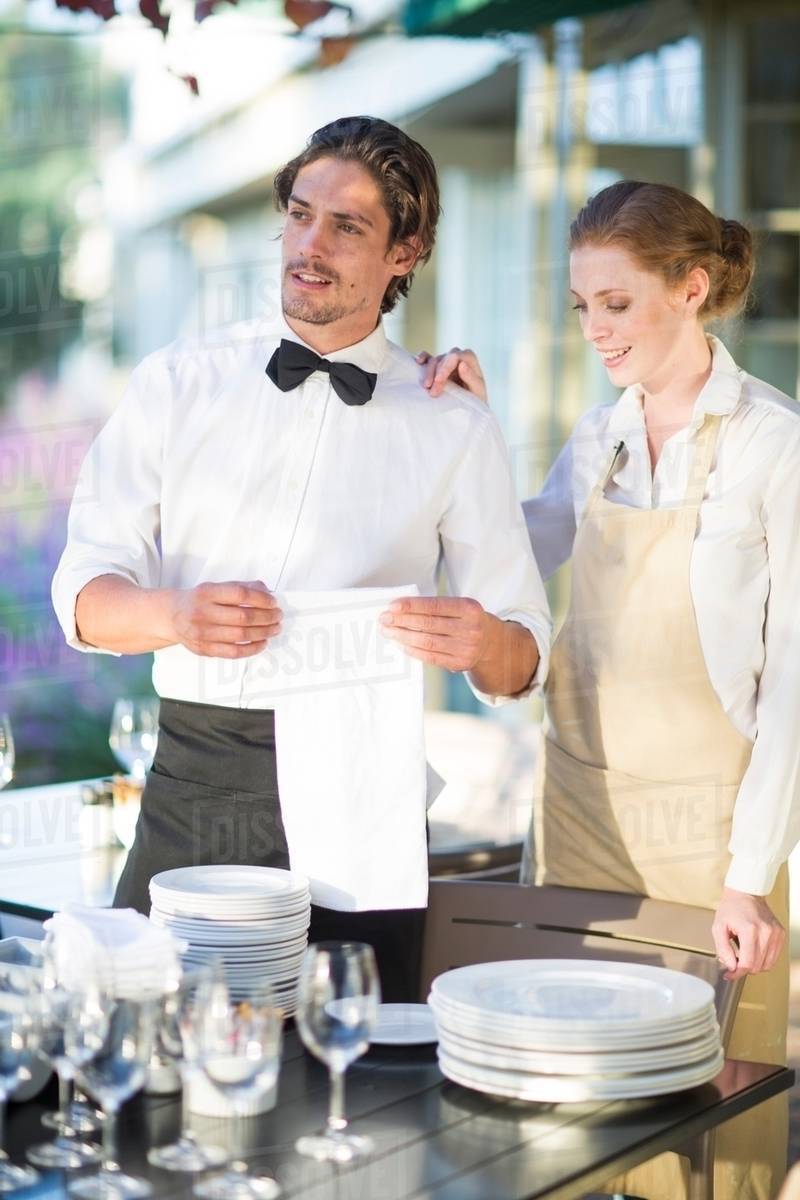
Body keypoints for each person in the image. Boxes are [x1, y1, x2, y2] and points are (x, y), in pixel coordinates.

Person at [51, 115, 550, 1004]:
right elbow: (82, 595)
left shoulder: (453, 423)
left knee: (351, 1094)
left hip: (366, 796)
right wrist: (172, 614)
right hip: (196, 780)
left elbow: (524, 658)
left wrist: (483, 644)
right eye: (300, 213)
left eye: (349, 227)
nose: (310, 246)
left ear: (408, 251)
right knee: (145, 1059)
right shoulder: (178, 381)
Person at [416, 180, 799, 1200]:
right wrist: (463, 434)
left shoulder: (773, 444)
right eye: (580, 306)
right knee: (557, 1128)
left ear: (690, 287)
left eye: (614, 304)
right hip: (578, 817)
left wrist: (748, 873)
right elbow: (510, 549)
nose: (593, 330)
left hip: (707, 844)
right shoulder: (599, 437)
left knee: (704, 1145)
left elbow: (795, 688)